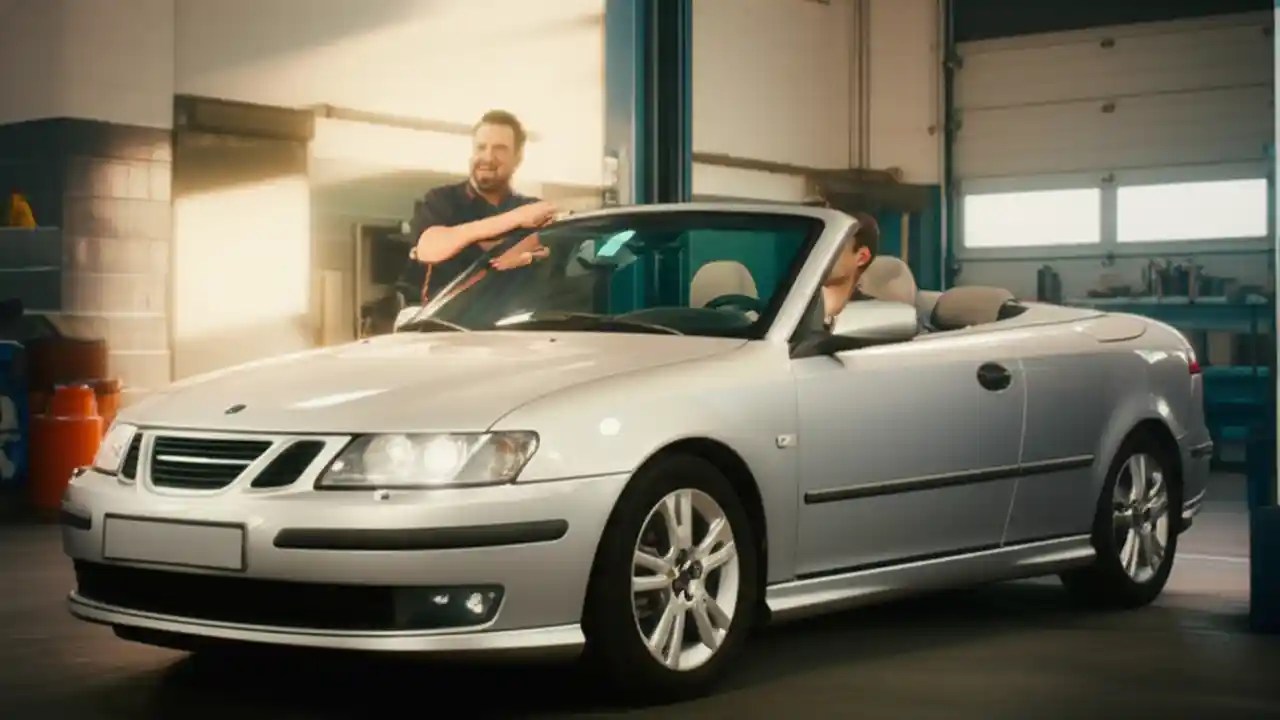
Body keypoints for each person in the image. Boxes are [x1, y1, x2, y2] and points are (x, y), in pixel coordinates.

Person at [398, 110, 558, 303]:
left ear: (518, 158)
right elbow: (429, 248)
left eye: (500, 149)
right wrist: (516, 219)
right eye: (481, 147)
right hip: (442, 327)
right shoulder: (441, 200)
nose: (488, 157)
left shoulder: (531, 208)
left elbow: (546, 252)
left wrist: (531, 254)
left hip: (513, 327)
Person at [821, 210, 879, 326]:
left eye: (833, 246)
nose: (820, 252)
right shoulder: (793, 305)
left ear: (862, 257)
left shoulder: (871, 317)